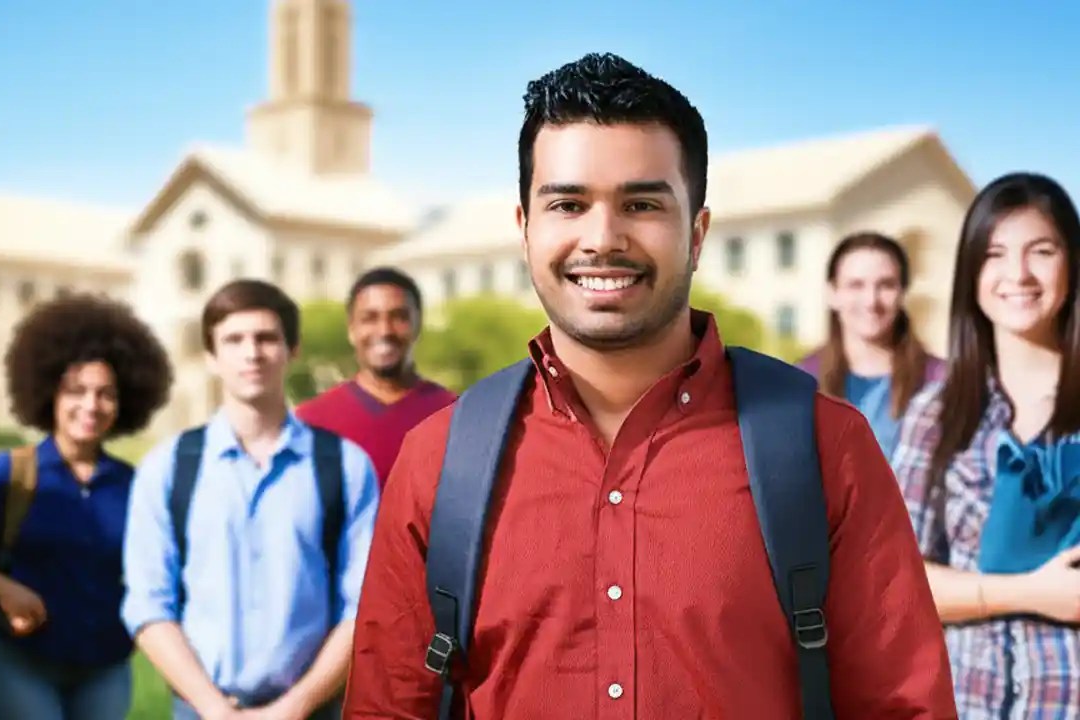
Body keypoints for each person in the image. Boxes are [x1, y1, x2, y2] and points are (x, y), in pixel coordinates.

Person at [343, 52, 958, 718]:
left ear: (696, 234)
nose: (602, 238)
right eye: (569, 204)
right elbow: (387, 705)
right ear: (525, 229)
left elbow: (904, 706)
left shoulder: (822, 445)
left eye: (641, 203)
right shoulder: (441, 461)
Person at [122, 279, 379, 720]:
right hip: (201, 711)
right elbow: (148, 605)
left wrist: (293, 708)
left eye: (266, 338)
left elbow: (364, 606)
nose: (252, 353)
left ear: (292, 348)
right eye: (234, 340)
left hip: (313, 711)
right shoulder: (167, 468)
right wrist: (215, 709)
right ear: (210, 356)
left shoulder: (345, 466)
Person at [891, 172, 1080, 719]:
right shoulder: (938, 411)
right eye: (995, 253)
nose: (1018, 273)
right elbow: (895, 580)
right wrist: (1029, 592)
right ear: (972, 272)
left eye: (1041, 251)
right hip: (965, 702)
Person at [0, 293, 173, 720]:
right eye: (76, 391)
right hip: (23, 664)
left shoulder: (134, 484)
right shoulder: (12, 473)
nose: (91, 406)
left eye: (105, 394)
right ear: (49, 392)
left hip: (107, 670)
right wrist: (6, 590)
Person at [296, 267, 456, 487]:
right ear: (352, 329)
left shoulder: (454, 415)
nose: (384, 330)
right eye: (369, 318)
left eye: (399, 317)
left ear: (417, 324)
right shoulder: (311, 422)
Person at [797, 232, 945, 456]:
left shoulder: (940, 381)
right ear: (832, 294)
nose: (871, 301)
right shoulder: (800, 383)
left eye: (886, 285)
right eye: (856, 285)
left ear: (902, 292)